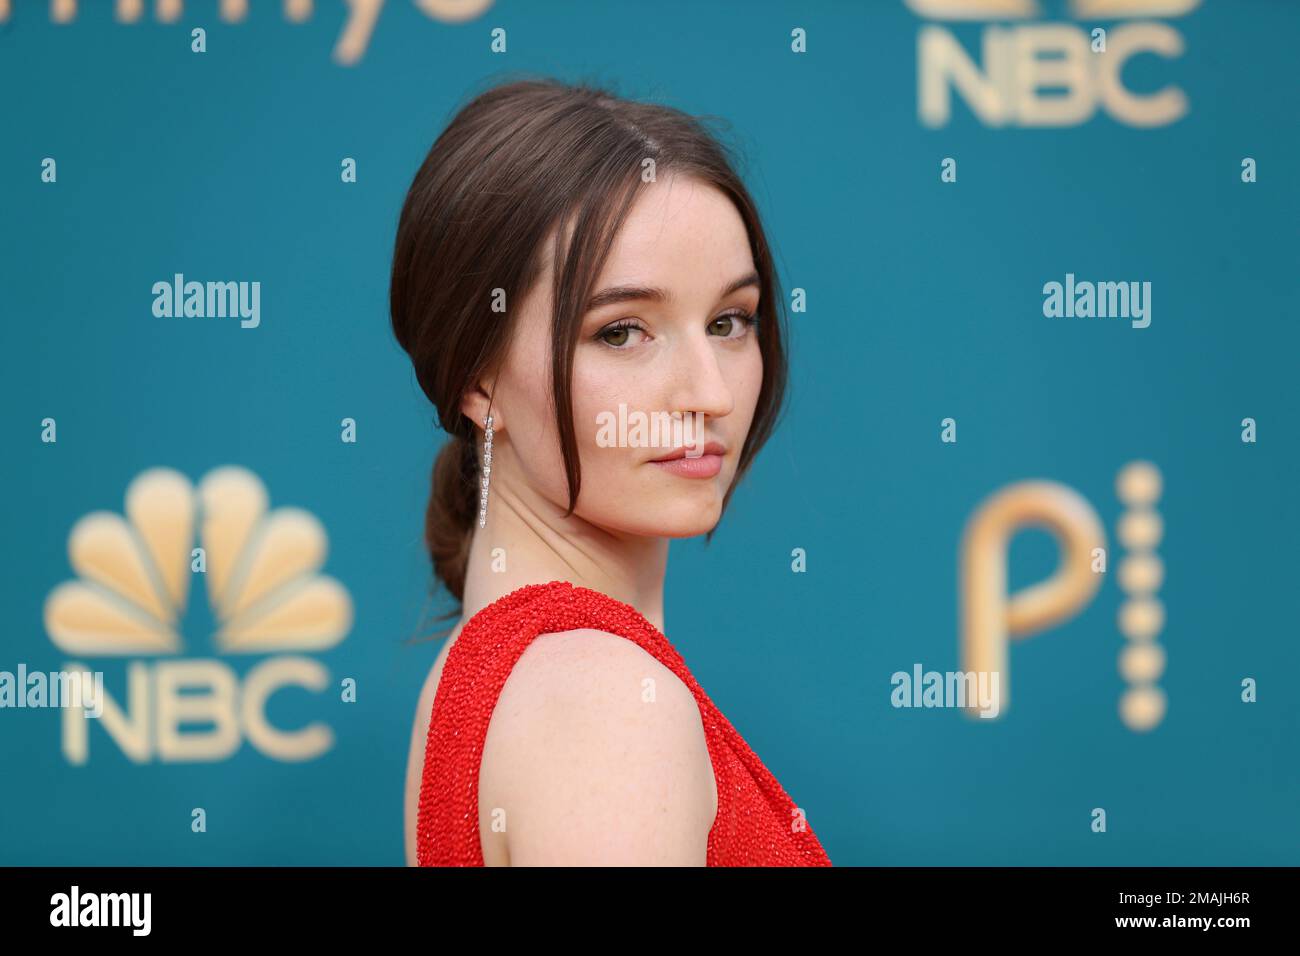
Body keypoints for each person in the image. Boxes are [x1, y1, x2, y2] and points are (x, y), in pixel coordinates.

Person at [392, 77, 831, 866]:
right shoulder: (603, 703)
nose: (709, 394)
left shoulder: (504, 669)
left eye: (729, 321)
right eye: (622, 332)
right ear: (478, 380)